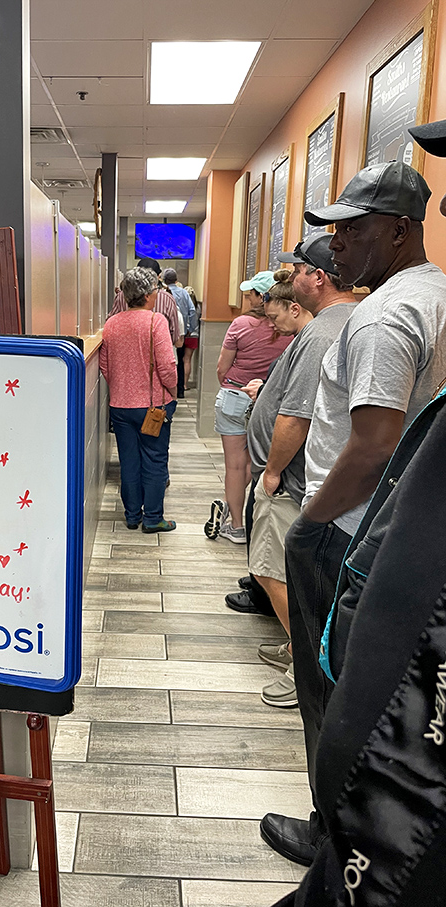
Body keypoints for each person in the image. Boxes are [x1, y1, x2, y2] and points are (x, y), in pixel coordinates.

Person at [271, 120, 446, 907]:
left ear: (400, 229)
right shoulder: (436, 292)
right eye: (330, 230)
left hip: (353, 537)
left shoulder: (379, 319)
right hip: (405, 537)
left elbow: (373, 444)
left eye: (352, 229)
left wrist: (310, 521)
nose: (333, 245)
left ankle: (328, 832)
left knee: (331, 694)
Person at [245, 240, 356, 709]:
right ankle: (299, 649)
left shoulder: (323, 334)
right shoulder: (335, 325)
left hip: (290, 481)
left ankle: (306, 665)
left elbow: (297, 415)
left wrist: (270, 473)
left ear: (319, 278)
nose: (290, 278)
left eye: (298, 270)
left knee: (273, 572)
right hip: (304, 480)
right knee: (290, 573)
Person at [208, 271, 291, 543]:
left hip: (235, 395)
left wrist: (232, 384)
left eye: (251, 294)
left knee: (234, 467)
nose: (247, 299)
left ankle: (235, 526)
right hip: (270, 401)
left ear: (261, 296)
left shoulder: (241, 324)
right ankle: (256, 523)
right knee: (258, 467)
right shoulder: (290, 328)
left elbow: (222, 367)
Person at [100, 267, 177, 533]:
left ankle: (132, 515)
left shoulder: (111, 324)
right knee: (154, 461)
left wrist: (121, 387)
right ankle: (153, 518)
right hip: (152, 406)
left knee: (129, 462)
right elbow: (167, 365)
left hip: (120, 406)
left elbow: (105, 366)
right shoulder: (156, 322)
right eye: (154, 291)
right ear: (146, 295)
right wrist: (172, 389)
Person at [107, 257, 182, 347]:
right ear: (158, 277)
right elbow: (174, 336)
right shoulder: (168, 299)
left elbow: (109, 328)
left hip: (125, 351)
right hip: (157, 354)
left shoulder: (121, 296)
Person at [162, 268, 198, 397]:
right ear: (176, 280)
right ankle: (180, 390)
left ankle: (167, 390)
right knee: (181, 361)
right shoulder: (183, 293)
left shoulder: (163, 293)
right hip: (181, 333)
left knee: (166, 361)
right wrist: (190, 328)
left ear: (164, 280)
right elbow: (192, 310)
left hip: (165, 332)